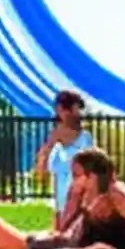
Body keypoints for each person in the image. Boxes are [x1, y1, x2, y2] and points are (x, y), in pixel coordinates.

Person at [34, 90, 95, 230]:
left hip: (81, 187)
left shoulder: (86, 137)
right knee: (62, 220)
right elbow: (43, 159)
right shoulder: (56, 137)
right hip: (63, 187)